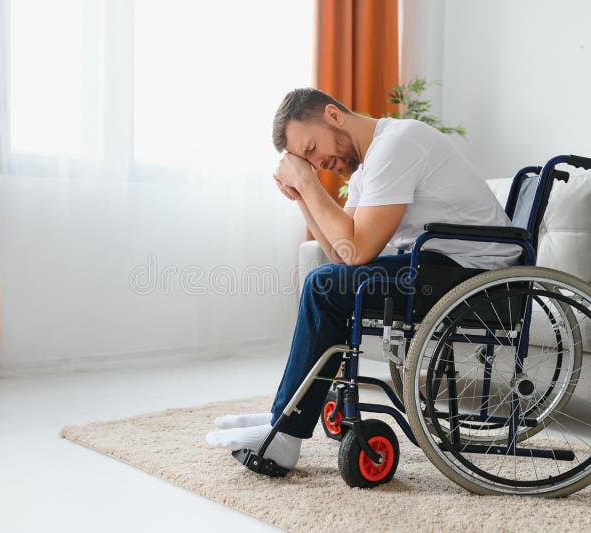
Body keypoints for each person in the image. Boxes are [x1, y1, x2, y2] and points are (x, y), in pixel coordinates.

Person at [205, 88, 520, 470]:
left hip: (478, 277)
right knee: (328, 280)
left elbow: (358, 251)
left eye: (311, 149)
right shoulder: (367, 167)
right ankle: (284, 417)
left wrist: (309, 183)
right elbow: (342, 255)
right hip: (439, 266)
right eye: (307, 161)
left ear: (333, 115)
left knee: (323, 285)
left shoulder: (398, 143)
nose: (317, 164)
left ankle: (285, 433)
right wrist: (302, 197)